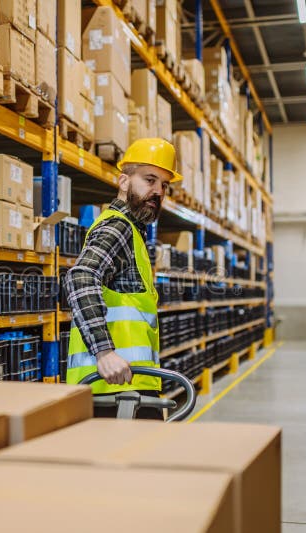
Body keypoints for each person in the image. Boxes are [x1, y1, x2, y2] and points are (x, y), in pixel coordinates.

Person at [65, 138, 183, 419]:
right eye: (149, 180)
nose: (158, 191)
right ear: (123, 181)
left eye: (164, 185)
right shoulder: (119, 227)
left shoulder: (134, 231)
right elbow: (81, 277)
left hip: (126, 386)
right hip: (113, 391)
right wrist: (104, 352)